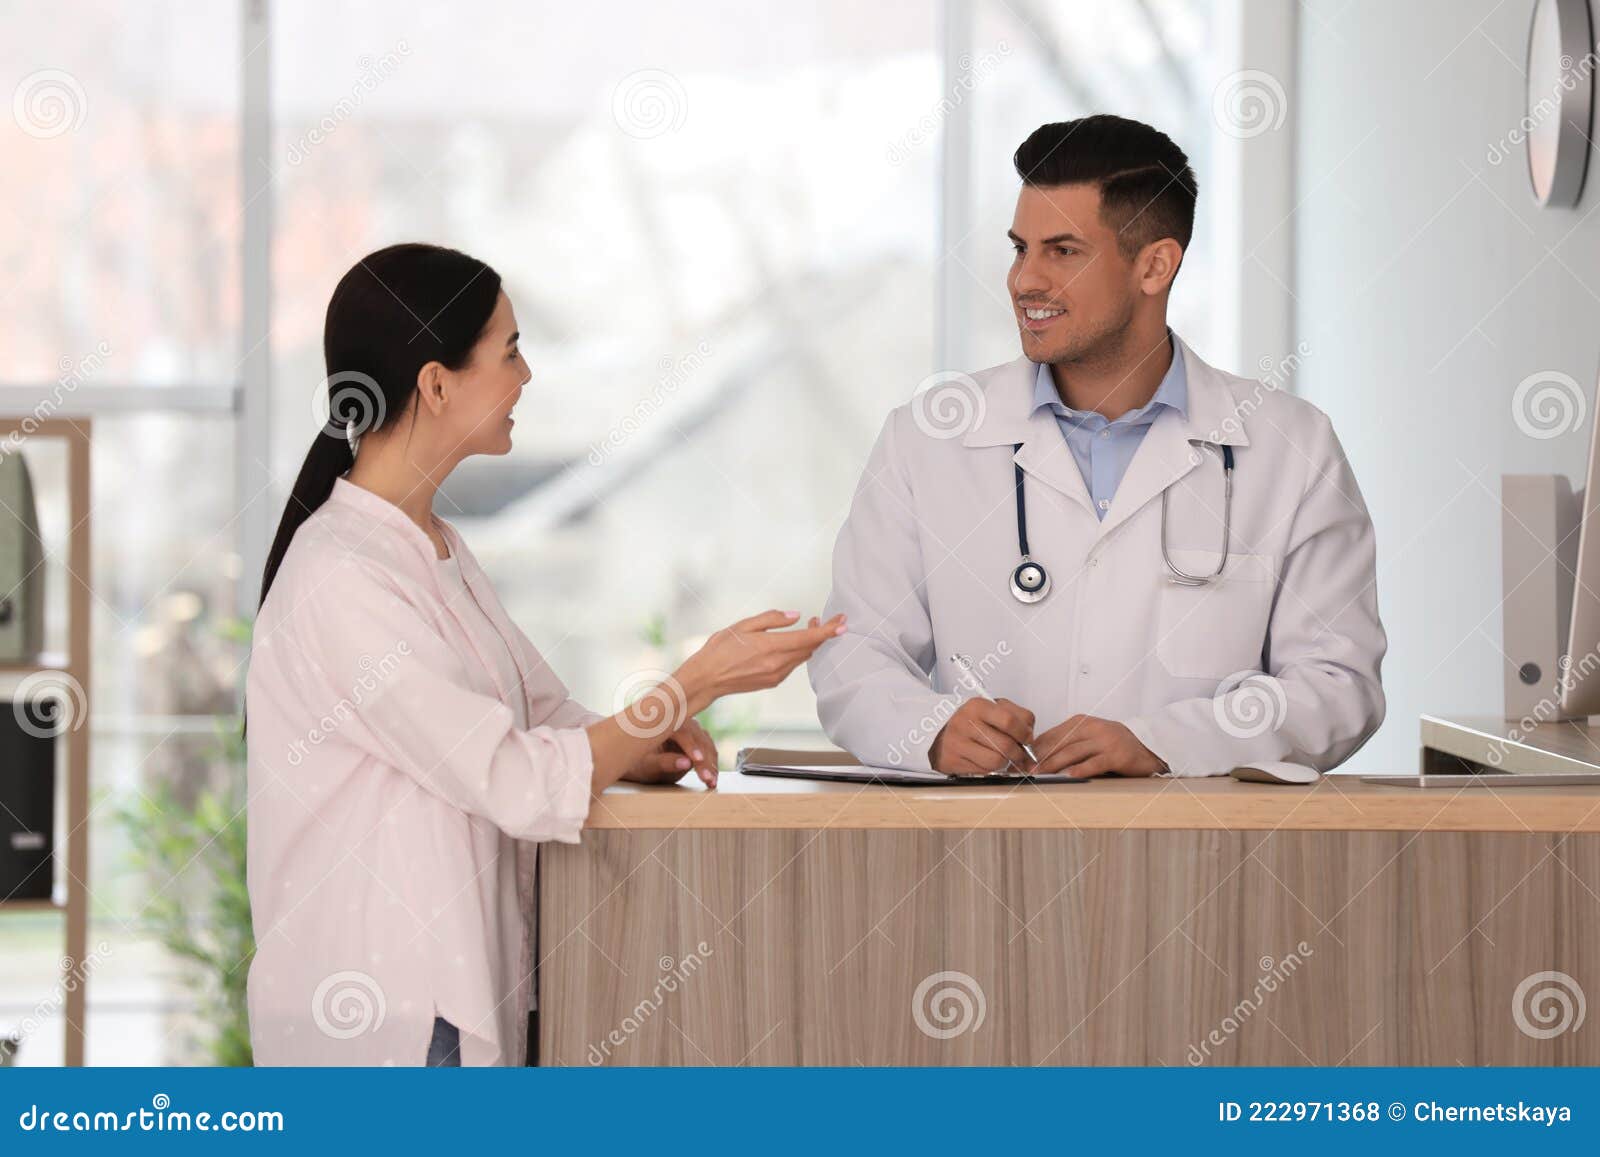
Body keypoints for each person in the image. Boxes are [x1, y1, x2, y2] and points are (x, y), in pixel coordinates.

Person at [245, 243, 843, 1066]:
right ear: (436, 383)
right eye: (510, 351)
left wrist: (639, 744)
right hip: (391, 1019)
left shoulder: (432, 546)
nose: (526, 376)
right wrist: (695, 681)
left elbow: (541, 713)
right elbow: (513, 778)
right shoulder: (343, 576)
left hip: (452, 995)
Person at [809, 115, 1385, 781]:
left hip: (1199, 840)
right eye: (1020, 248)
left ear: (1155, 265)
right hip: (986, 836)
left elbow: (1339, 684)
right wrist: (931, 728)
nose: (1024, 280)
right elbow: (854, 654)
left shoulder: (1290, 447)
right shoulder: (927, 440)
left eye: (1063, 251)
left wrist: (1165, 742)